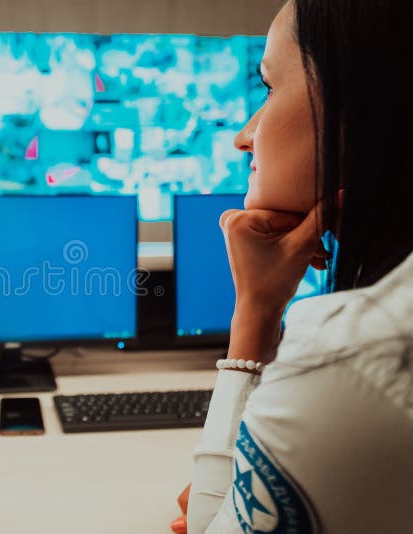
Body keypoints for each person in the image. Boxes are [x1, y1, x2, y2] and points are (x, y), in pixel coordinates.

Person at [170, 0, 412, 532]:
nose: (243, 137)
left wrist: (254, 313)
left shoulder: (353, 352)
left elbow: (210, 522)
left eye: (269, 88)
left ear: (365, 103)